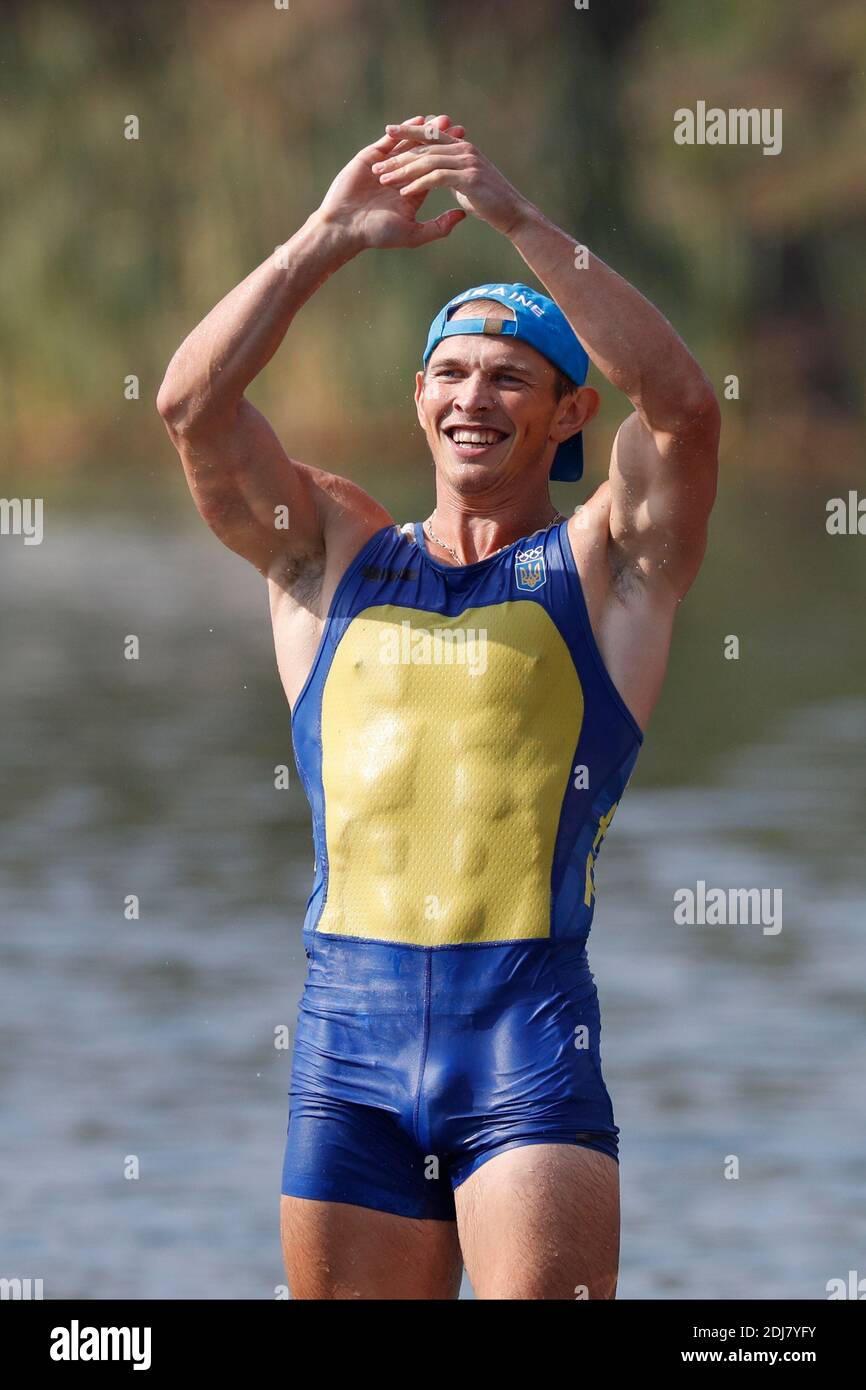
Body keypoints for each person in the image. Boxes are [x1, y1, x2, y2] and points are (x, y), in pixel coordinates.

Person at [157, 112, 720, 1300]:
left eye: (510, 375)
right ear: (418, 397)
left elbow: (679, 410)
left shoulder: (608, 569)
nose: (475, 397)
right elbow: (191, 411)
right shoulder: (326, 555)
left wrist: (513, 218)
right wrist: (321, 238)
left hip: (524, 1039)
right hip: (344, 1050)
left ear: (568, 413)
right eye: (452, 373)